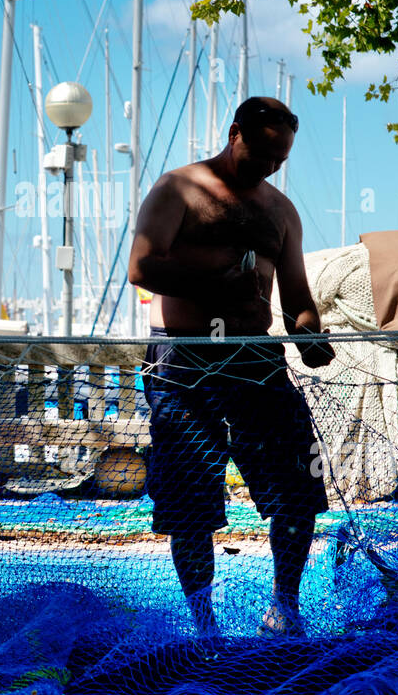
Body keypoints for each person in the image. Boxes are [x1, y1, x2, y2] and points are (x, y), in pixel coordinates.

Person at [128, 95, 335, 636]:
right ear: (234, 133)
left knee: (297, 485)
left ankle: (284, 610)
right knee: (190, 499)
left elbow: (298, 298)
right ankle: (205, 627)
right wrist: (217, 282)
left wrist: (309, 337)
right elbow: (141, 267)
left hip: (255, 357)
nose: (270, 166)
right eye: (262, 154)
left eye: (280, 159)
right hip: (184, 357)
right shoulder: (178, 188)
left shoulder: (281, 212)